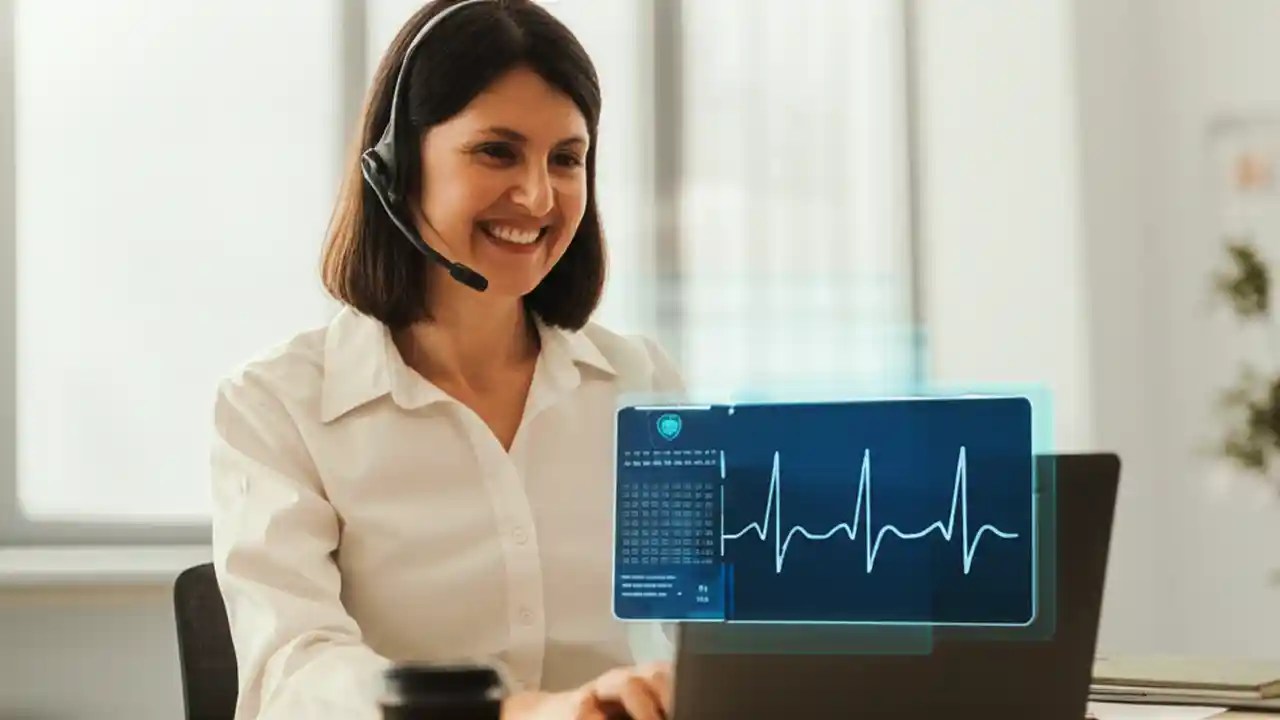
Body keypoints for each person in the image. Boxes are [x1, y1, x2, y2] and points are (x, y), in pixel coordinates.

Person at [209, 1, 681, 718]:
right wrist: (523, 712)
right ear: (397, 168)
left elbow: (707, 631)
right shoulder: (277, 405)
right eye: (497, 151)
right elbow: (294, 676)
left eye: (566, 159)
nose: (537, 195)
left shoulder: (641, 385)